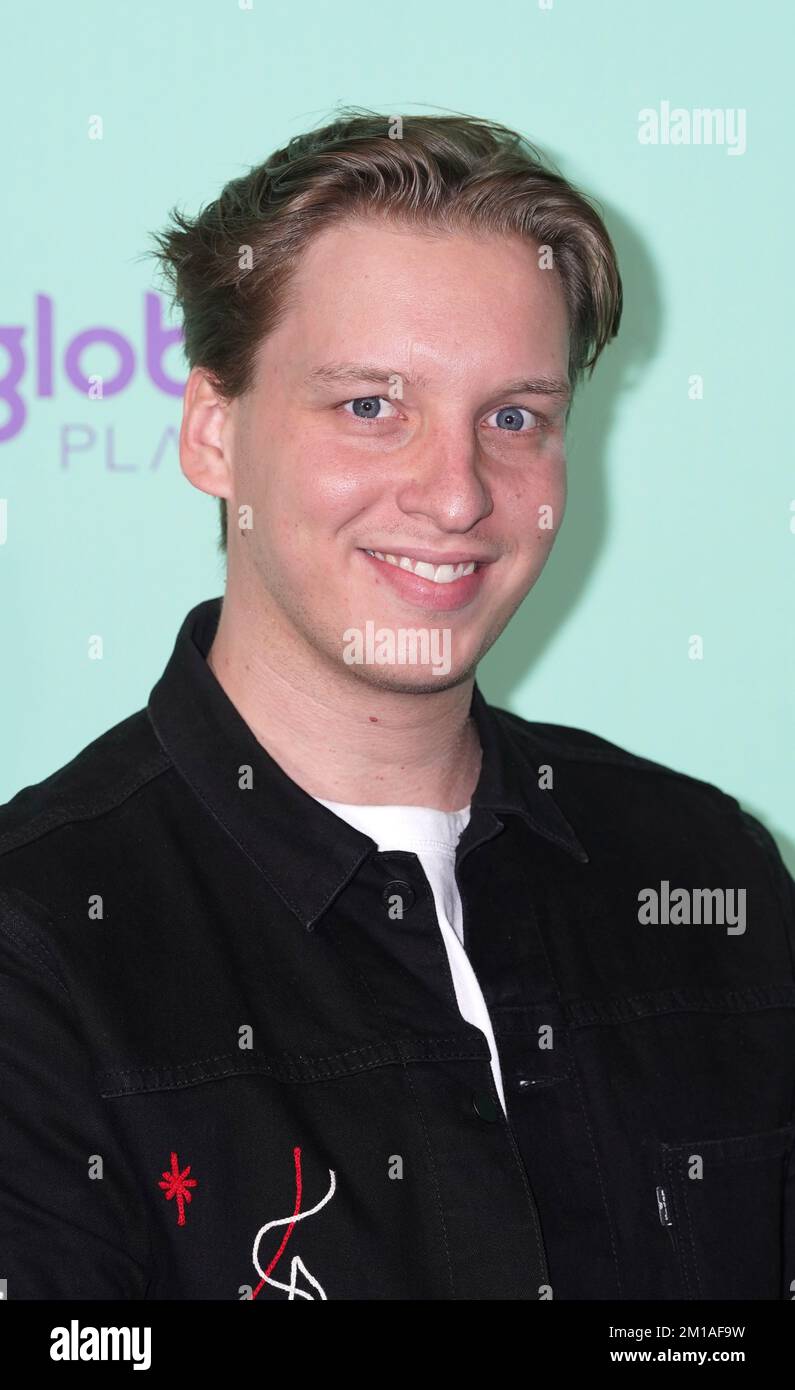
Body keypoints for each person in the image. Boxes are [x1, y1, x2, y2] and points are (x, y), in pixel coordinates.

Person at [1, 108, 793, 1302]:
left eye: (514, 417)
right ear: (214, 434)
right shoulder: (40, 951)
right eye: (372, 405)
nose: (458, 492)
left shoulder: (708, 867)